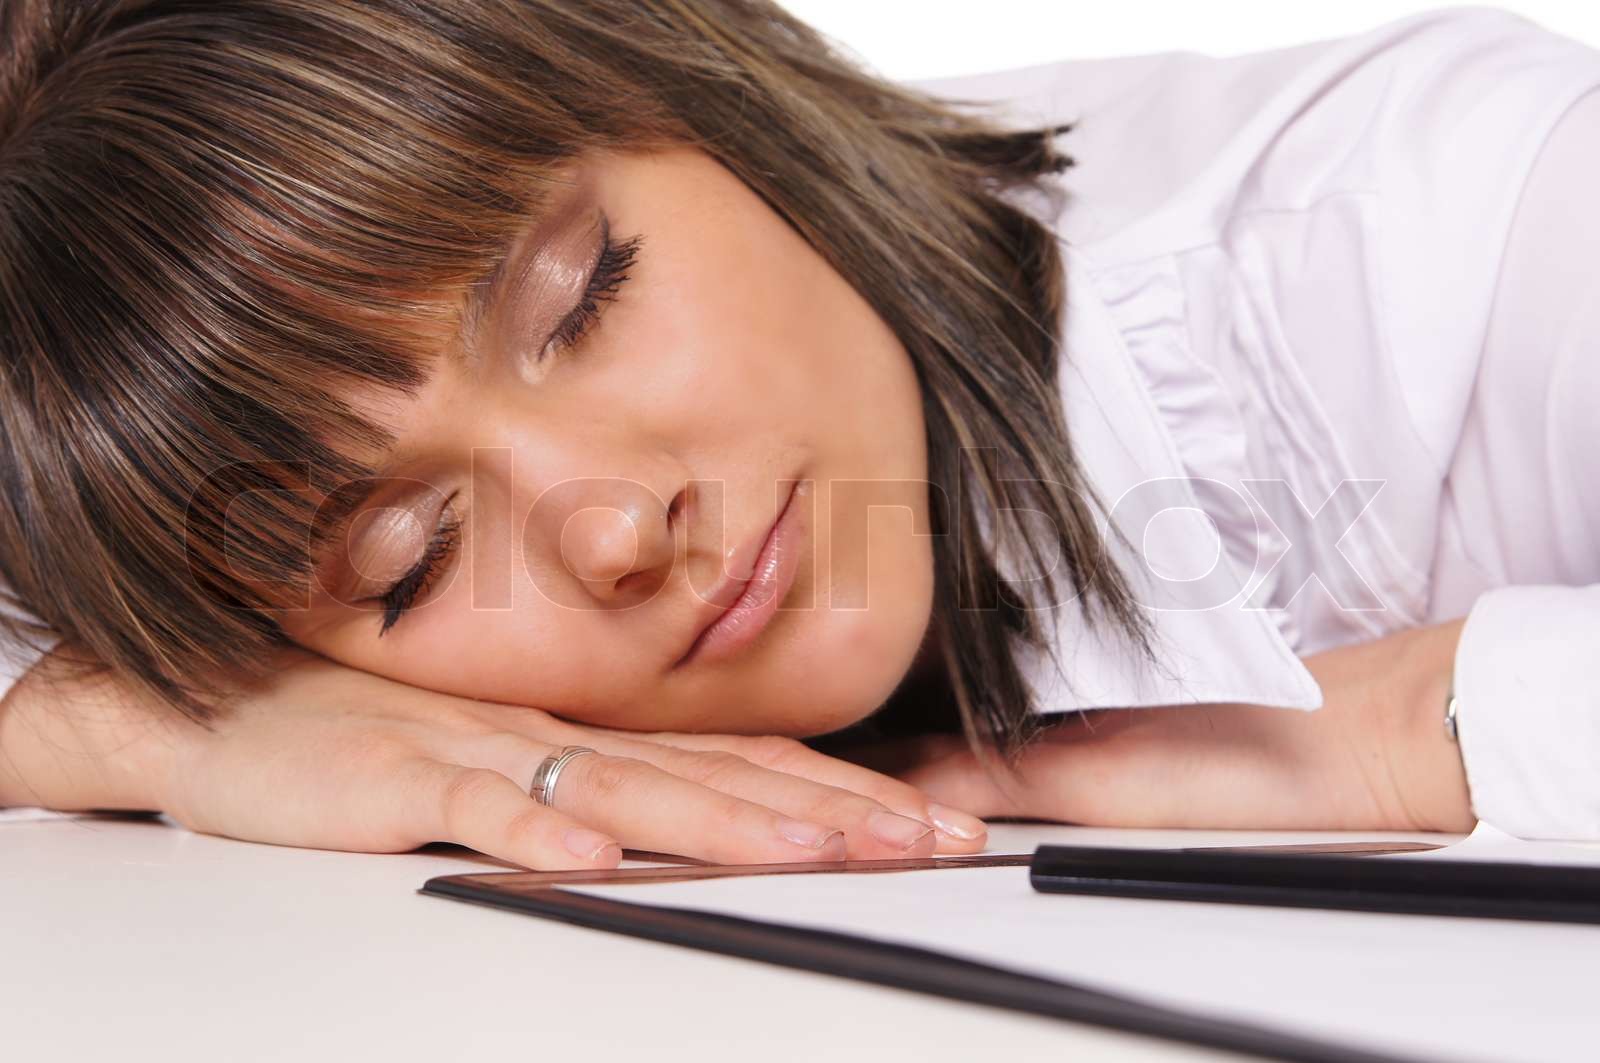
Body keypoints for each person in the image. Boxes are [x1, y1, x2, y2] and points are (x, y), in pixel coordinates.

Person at [0, 1, 1594, 870]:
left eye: (582, 297)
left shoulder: (1465, 227)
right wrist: (175, 727)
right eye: (407, 561)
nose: (613, 527)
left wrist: (1423, 730)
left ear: (712, 94)